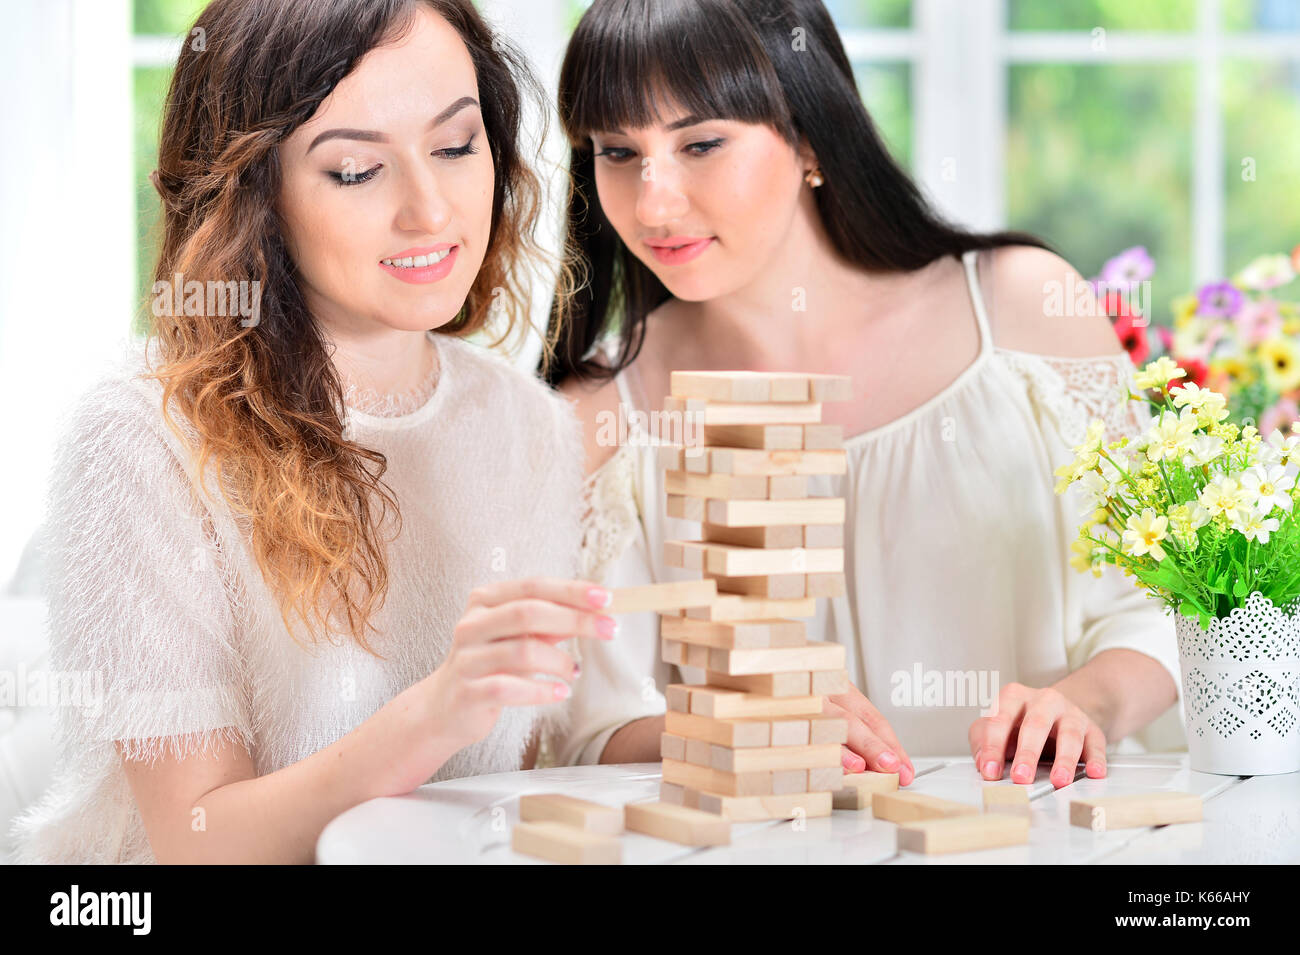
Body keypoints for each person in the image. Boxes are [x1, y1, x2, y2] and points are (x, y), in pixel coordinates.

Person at [9, 0, 608, 864]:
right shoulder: (141, 436)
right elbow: (195, 839)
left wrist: (759, 726)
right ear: (255, 195)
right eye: (358, 170)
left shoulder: (530, 428)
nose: (431, 210)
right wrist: (431, 714)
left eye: (454, 145)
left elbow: (527, 770)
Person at [544, 0, 1184, 788]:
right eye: (617, 152)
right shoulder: (604, 414)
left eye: (701, 143)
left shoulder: (1022, 314)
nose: (653, 203)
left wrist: (1086, 702)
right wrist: (736, 727)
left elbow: (1168, 605)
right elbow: (589, 731)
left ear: (810, 136)